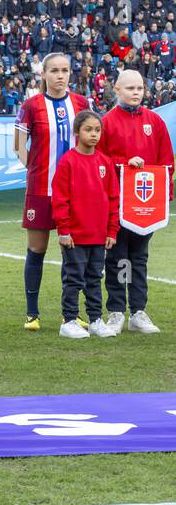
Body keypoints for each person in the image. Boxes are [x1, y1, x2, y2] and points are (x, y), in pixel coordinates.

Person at [13, 53, 91, 332]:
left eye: (65, 70)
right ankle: (32, 314)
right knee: (37, 249)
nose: (60, 76)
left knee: (73, 252)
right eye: (54, 71)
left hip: (75, 192)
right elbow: (19, 145)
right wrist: (34, 169)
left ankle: (71, 313)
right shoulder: (31, 105)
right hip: (41, 190)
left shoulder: (82, 103)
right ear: (43, 74)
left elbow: (91, 141)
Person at [98, 69, 172, 334]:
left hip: (146, 206)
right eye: (130, 88)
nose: (135, 93)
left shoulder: (155, 121)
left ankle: (138, 311)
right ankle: (116, 311)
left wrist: (163, 197)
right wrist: (124, 165)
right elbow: (99, 160)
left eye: (139, 88)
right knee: (118, 257)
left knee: (139, 258)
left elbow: (167, 163)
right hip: (117, 204)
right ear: (116, 90)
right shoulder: (106, 122)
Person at [53, 111, 120, 339]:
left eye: (97, 130)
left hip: (98, 236)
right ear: (77, 132)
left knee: (94, 278)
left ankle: (95, 320)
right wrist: (64, 230)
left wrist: (111, 230)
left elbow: (113, 198)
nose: (93, 134)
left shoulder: (105, 162)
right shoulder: (68, 162)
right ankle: (69, 320)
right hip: (74, 237)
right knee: (73, 279)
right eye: (88, 130)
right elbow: (60, 199)